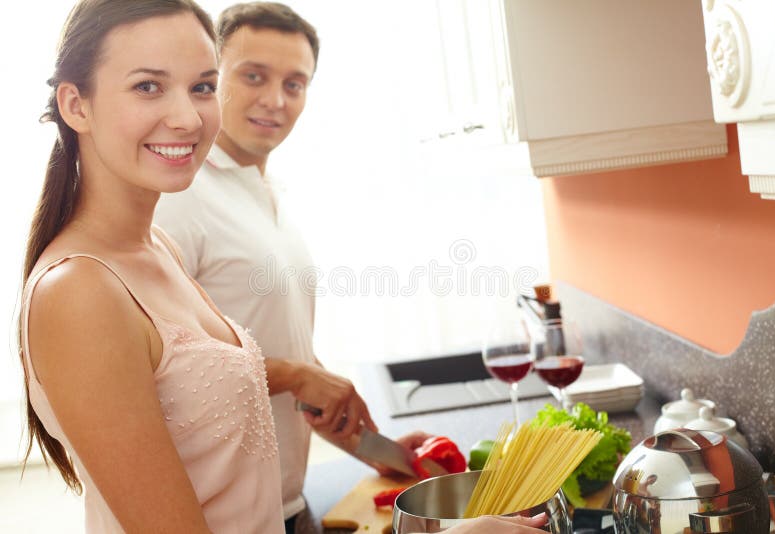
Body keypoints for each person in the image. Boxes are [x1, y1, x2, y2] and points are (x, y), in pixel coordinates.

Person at [18, 0, 549, 532]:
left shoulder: (157, 248)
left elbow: (222, 397)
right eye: (148, 86)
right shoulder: (81, 291)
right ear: (75, 104)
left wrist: (379, 451)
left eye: (202, 86)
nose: (185, 117)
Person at [153, 3, 422, 530]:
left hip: (286, 507)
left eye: (294, 84)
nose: (275, 100)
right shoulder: (180, 196)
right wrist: (299, 375)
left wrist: (380, 451)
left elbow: (288, 363)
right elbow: (161, 365)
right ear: (210, 76)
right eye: (254, 76)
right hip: (218, 518)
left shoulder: (264, 193)